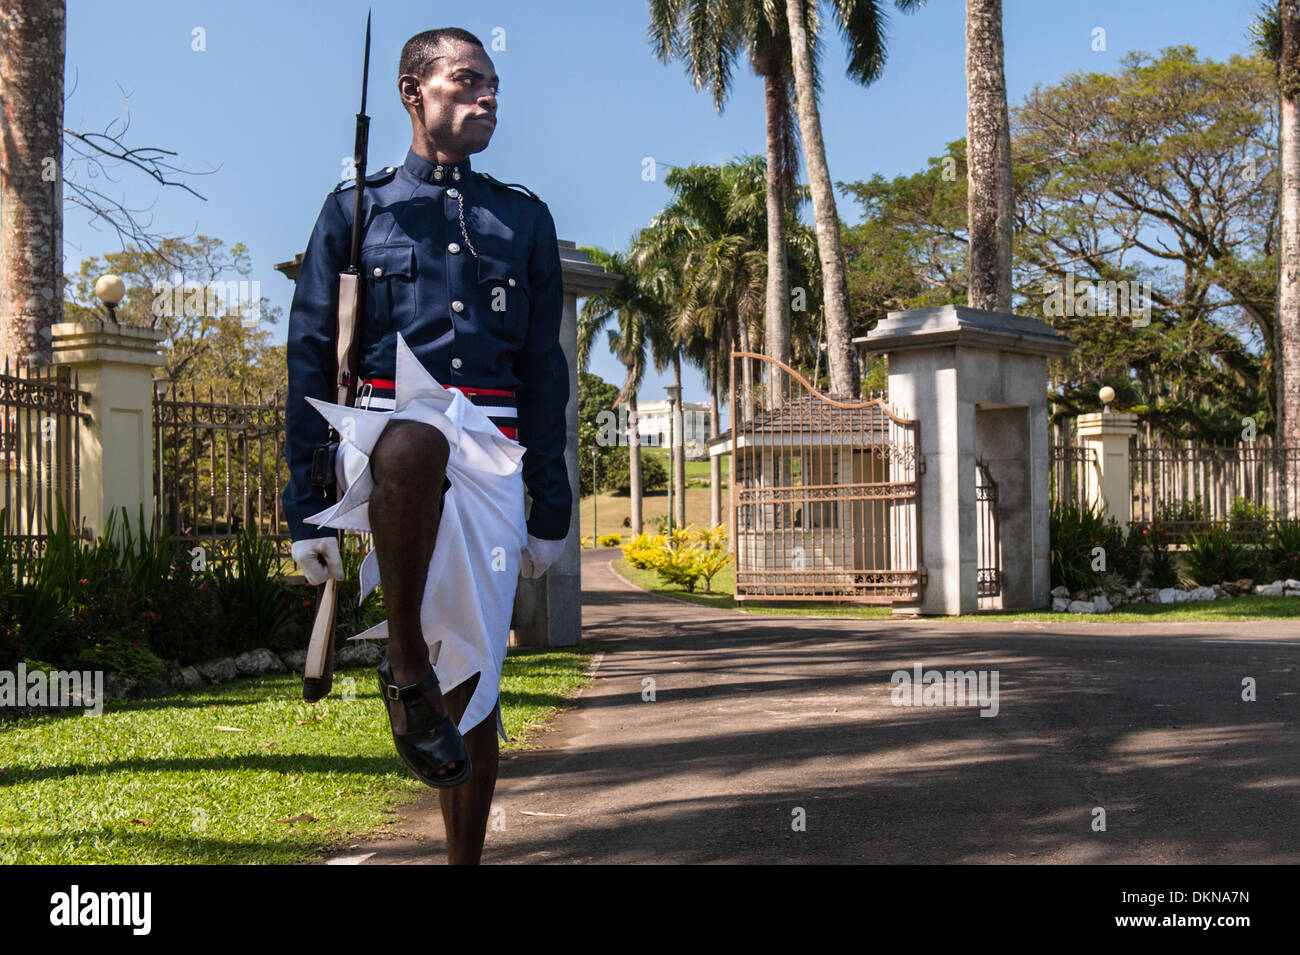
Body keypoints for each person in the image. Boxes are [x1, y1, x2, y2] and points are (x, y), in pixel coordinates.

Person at [281, 26, 571, 865]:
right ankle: (404, 661)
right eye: (466, 81)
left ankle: (463, 857)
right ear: (413, 92)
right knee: (414, 442)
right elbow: (307, 355)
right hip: (379, 439)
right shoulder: (352, 211)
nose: (486, 98)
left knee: (476, 672)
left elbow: (543, 373)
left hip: (495, 455)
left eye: (493, 87)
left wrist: (549, 504)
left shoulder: (521, 217)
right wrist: (306, 509)